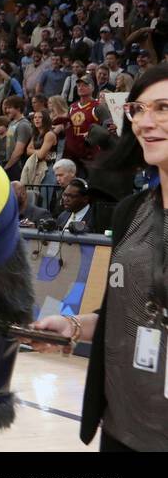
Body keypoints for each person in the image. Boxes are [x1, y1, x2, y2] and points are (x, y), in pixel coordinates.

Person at [31, 62, 168, 451]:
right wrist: (73, 326)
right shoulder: (130, 211)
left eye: (163, 108)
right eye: (137, 109)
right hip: (121, 428)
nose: (145, 121)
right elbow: (119, 314)